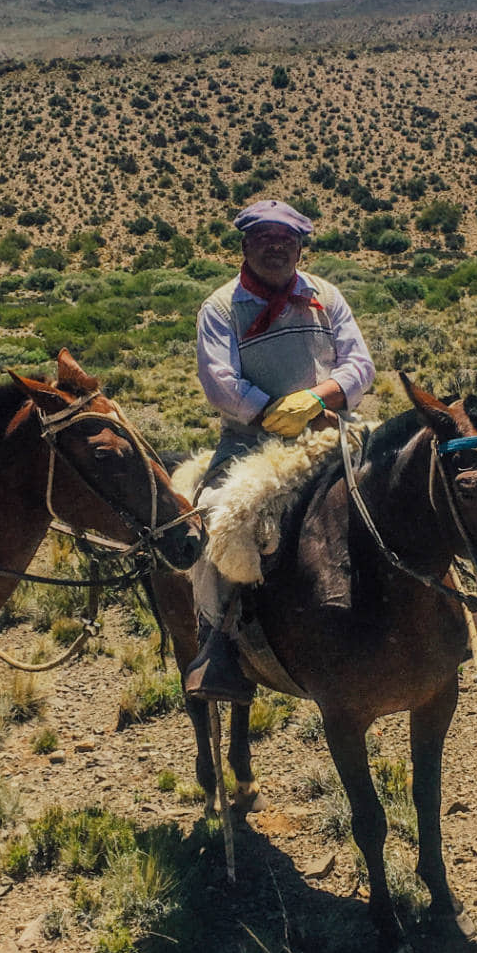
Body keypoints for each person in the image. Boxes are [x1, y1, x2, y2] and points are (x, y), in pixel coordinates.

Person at [185, 199, 376, 703]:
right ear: (245, 246)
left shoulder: (326, 296)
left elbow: (359, 364)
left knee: (404, 481)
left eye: (286, 239)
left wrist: (318, 398)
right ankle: (219, 642)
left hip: (330, 429)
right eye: (265, 238)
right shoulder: (221, 307)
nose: (276, 247)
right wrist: (273, 411)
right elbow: (220, 383)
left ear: (299, 246)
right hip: (252, 442)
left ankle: (452, 604)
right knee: (218, 516)